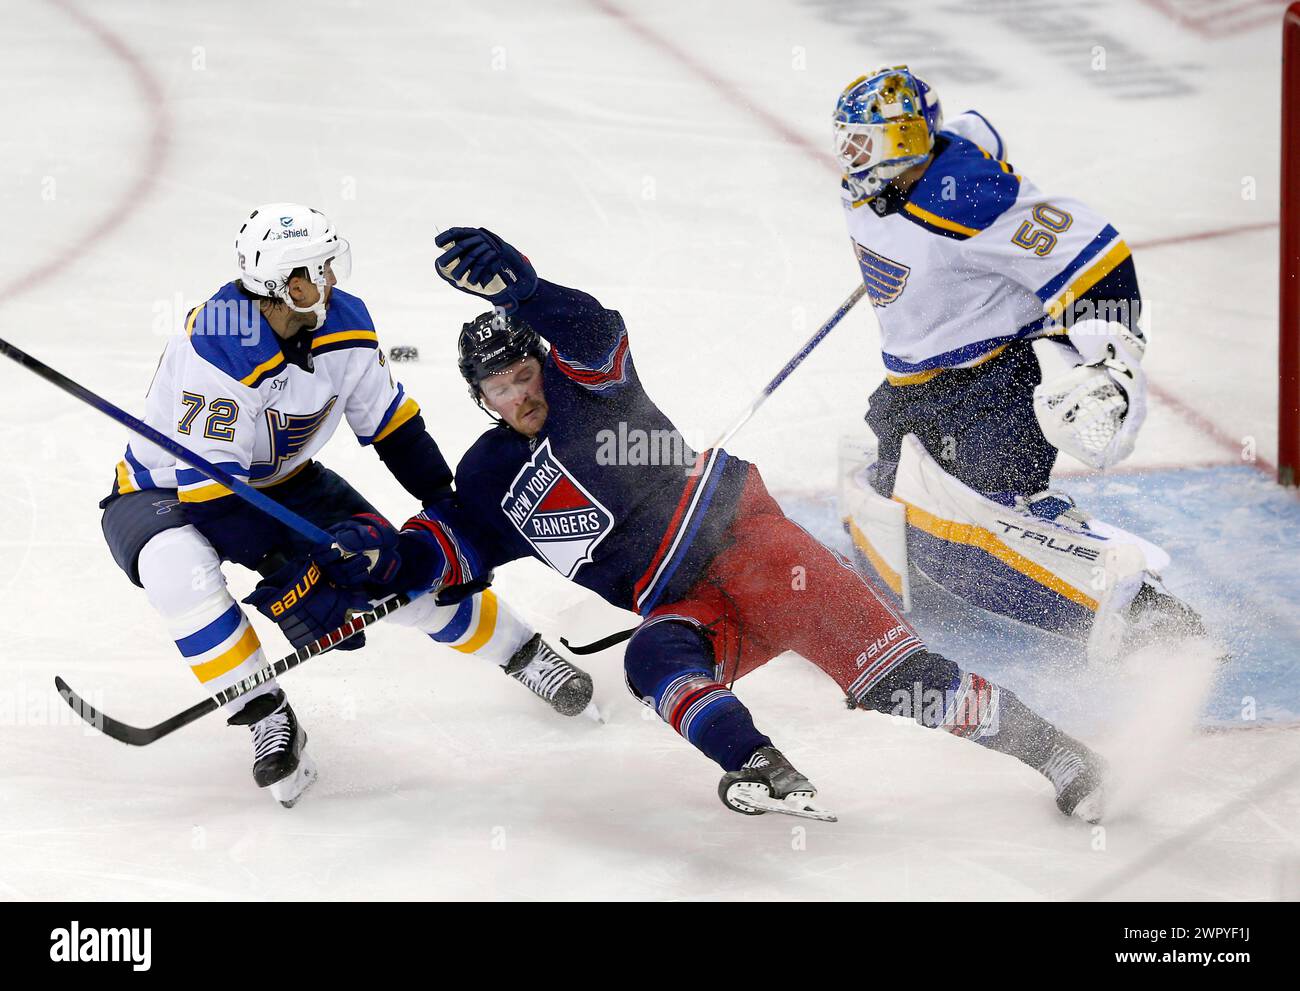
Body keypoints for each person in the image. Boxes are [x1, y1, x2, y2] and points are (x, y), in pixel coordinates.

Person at [315, 226, 1107, 822]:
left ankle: (1060, 753)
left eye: (525, 373)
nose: (520, 394)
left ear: (542, 363)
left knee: (901, 685)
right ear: (479, 396)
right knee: (652, 658)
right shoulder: (488, 477)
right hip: (687, 602)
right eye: (500, 388)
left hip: (748, 547)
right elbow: (444, 547)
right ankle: (762, 765)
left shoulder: (592, 387)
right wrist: (373, 558)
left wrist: (528, 293)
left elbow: (594, 328)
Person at [98, 204, 592, 808]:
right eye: (320, 269)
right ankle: (264, 716)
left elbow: (394, 428)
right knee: (177, 571)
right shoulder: (219, 346)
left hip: (284, 479)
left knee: (388, 568)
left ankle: (522, 651)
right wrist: (294, 571)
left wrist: (447, 508)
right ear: (287, 284)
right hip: (164, 491)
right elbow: (215, 499)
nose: (332, 278)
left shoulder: (345, 321)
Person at [830, 66, 1204, 661]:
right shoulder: (886, 183)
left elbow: (1096, 252)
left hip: (991, 387)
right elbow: (978, 129)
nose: (851, 159)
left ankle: (1146, 617)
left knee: (971, 537)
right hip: (917, 385)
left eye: (864, 144)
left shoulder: (966, 198)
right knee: (893, 505)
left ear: (904, 142)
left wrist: (1112, 359)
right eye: (847, 142)